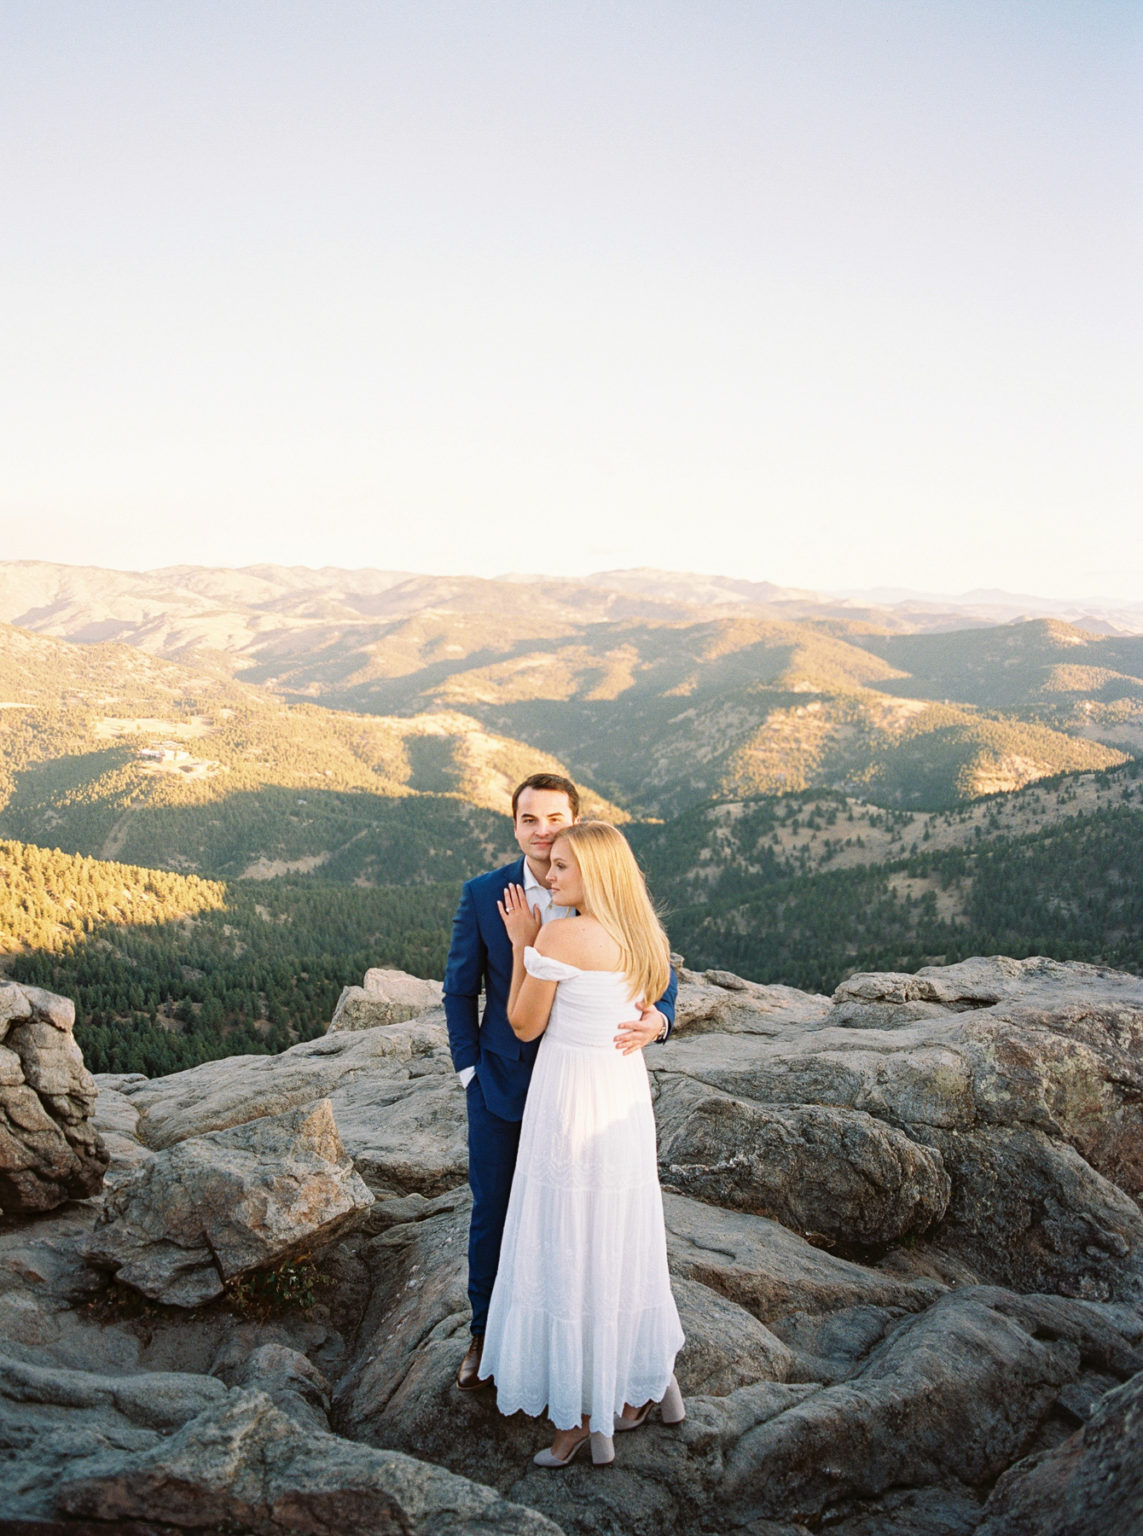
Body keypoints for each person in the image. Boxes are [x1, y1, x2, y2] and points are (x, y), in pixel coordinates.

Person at [444, 775, 677, 1392]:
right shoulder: (484, 893)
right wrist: (468, 1068)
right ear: (514, 825)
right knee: (497, 1210)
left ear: (573, 821)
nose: (542, 832)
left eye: (554, 819)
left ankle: (568, 1343)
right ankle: (486, 1332)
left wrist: (660, 1016)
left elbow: (656, 967)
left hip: (580, 1085)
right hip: (502, 1083)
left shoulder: (597, 885)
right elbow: (461, 988)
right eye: (529, 820)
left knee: (574, 1214)